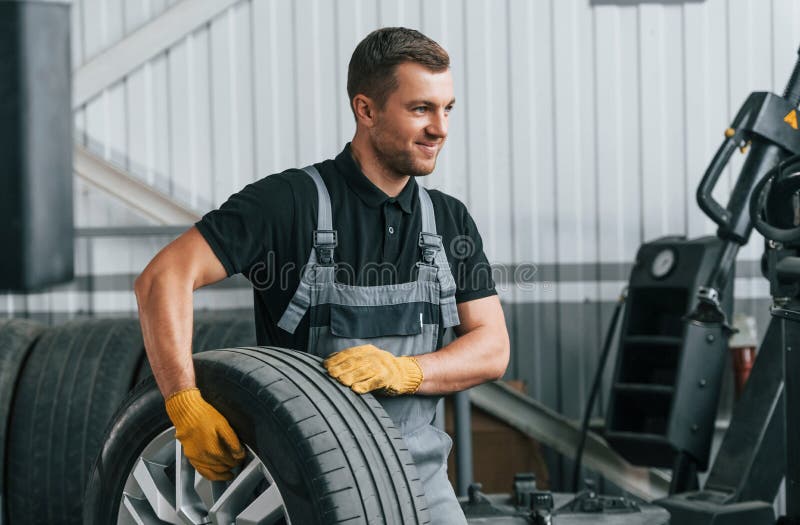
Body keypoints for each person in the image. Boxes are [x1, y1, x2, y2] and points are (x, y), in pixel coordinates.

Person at [134, 26, 510, 523]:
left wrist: (409, 371)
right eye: (421, 109)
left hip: (418, 482)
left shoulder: (448, 220)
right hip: (308, 483)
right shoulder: (289, 203)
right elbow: (163, 277)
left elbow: (492, 348)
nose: (440, 128)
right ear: (367, 109)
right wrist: (183, 401)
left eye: (448, 108)